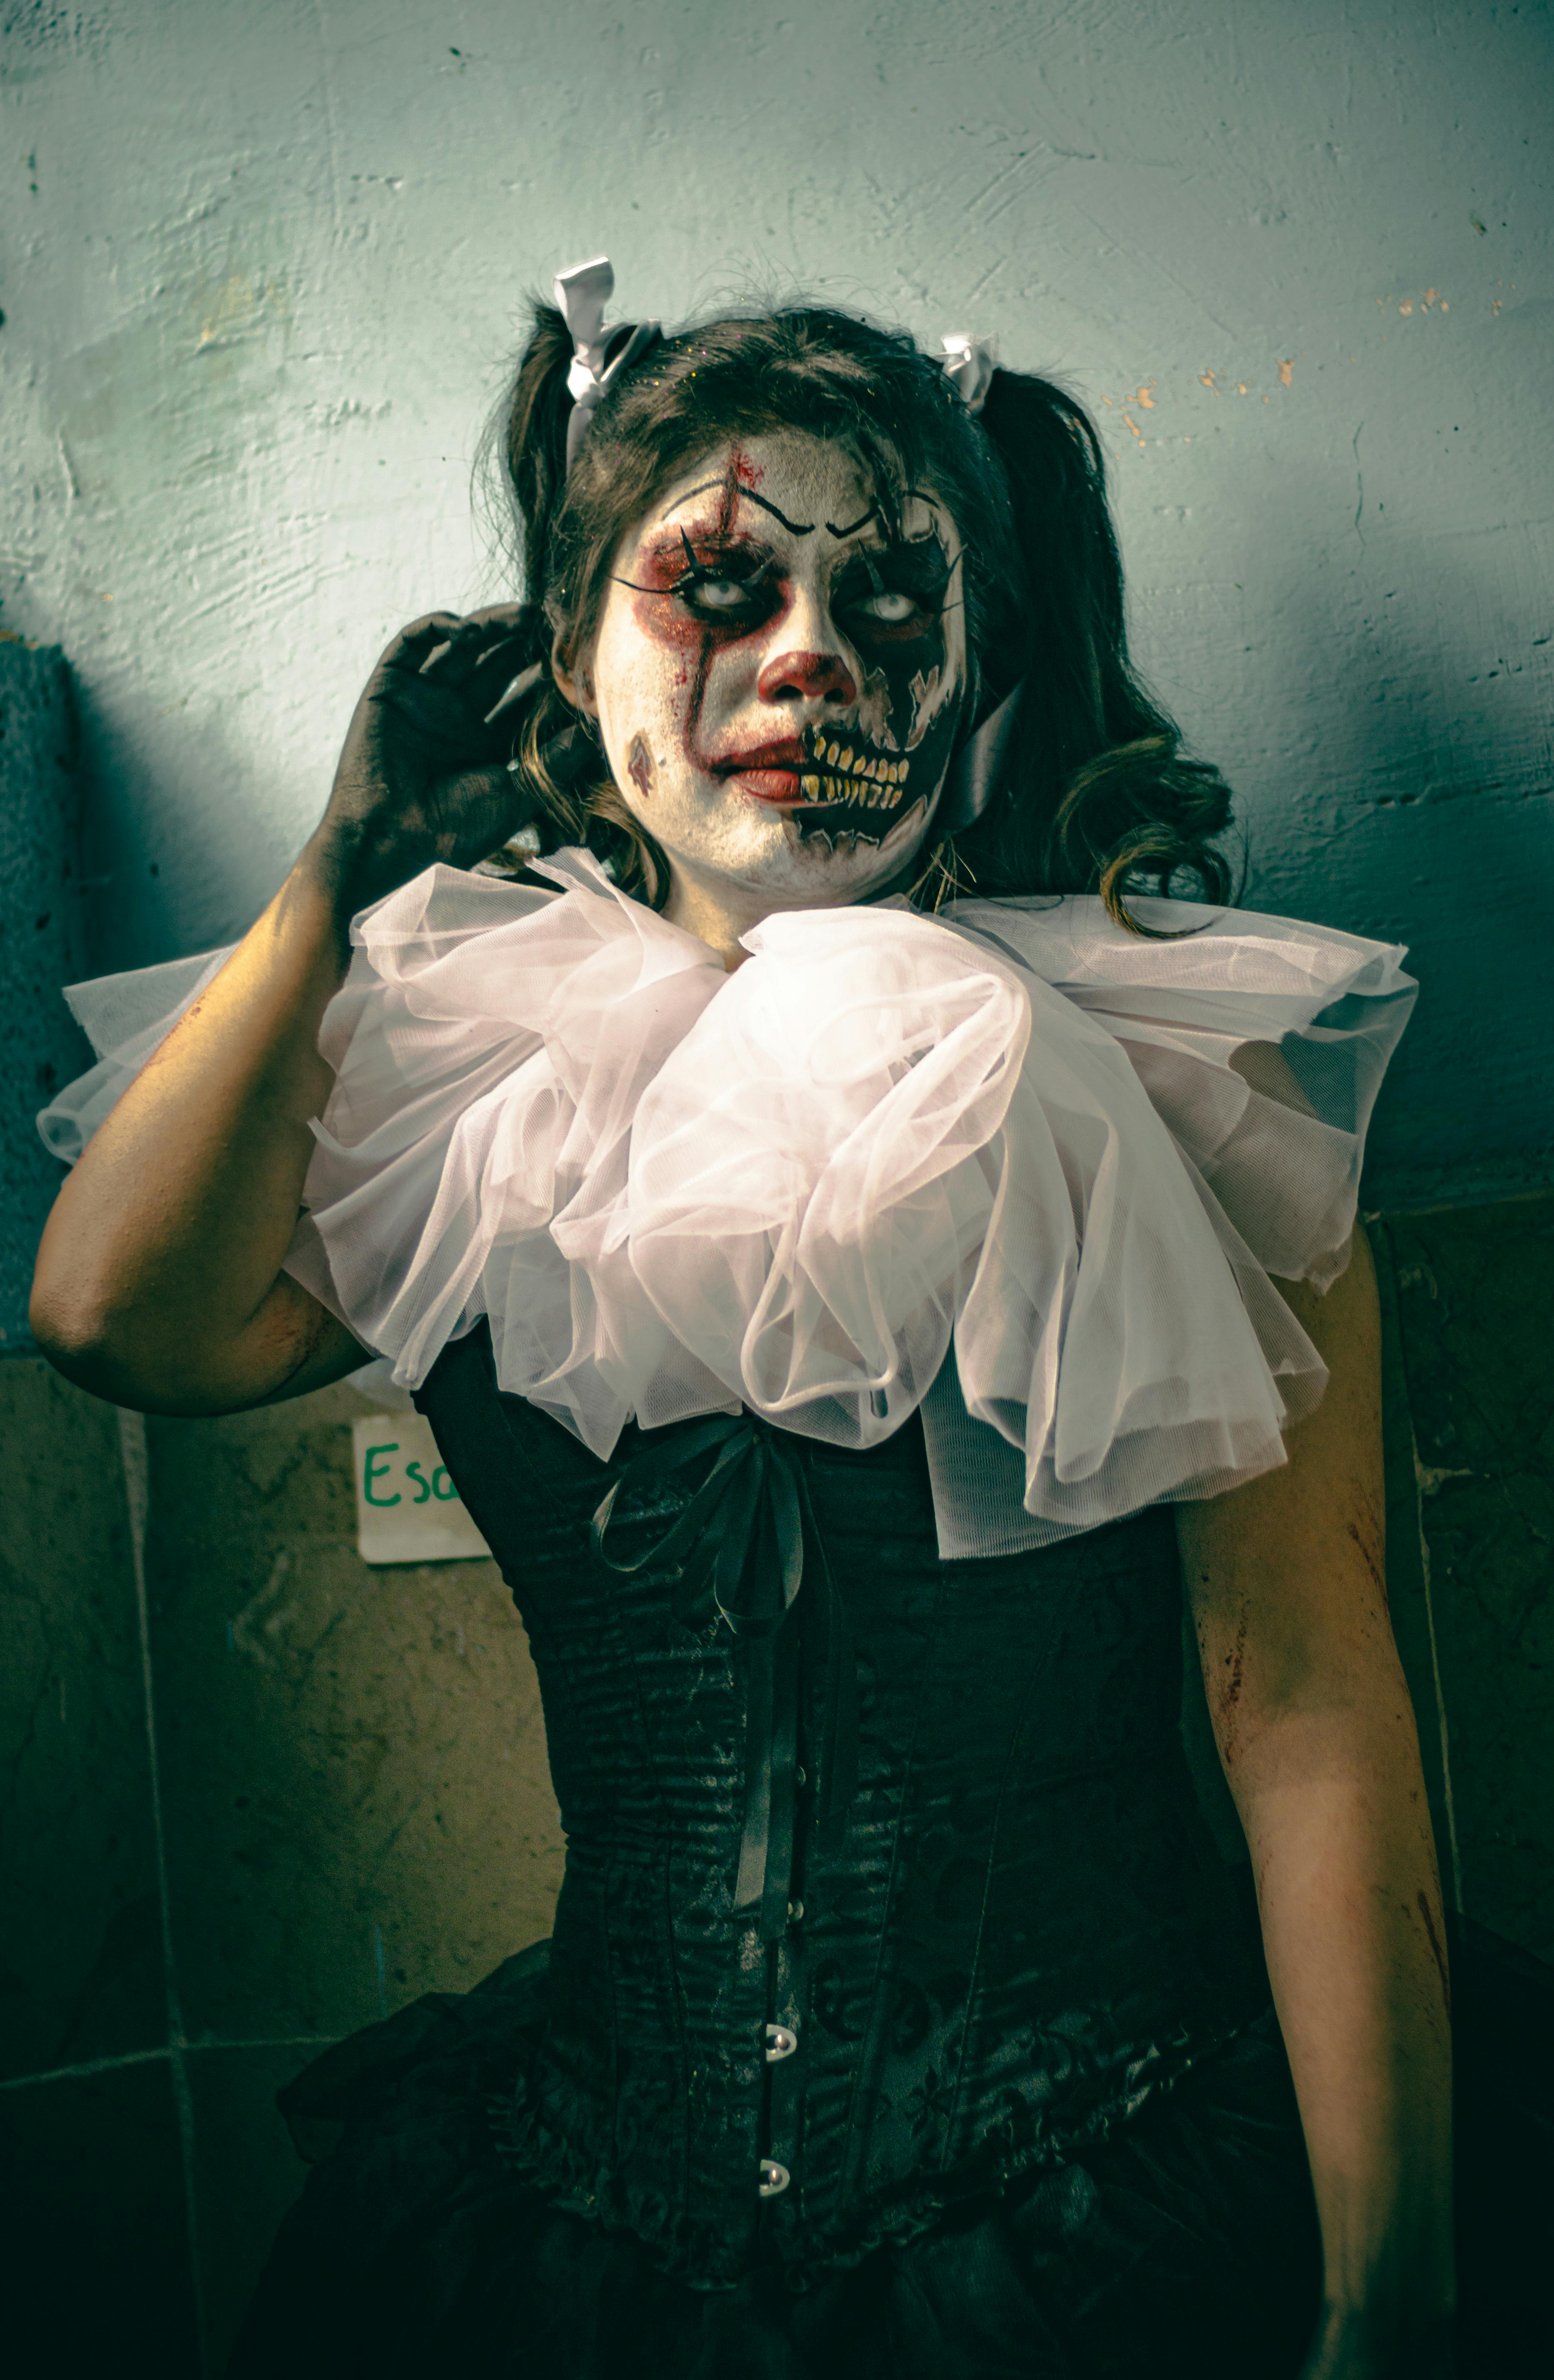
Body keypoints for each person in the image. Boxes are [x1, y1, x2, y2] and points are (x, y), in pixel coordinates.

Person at [30, 264, 1455, 2379]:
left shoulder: (1175, 1084)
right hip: (579, 2235)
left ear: (972, 670)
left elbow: (1302, 1697)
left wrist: (1381, 2291)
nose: (806, 651)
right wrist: (338, 872)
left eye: (890, 597)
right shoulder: (466, 1083)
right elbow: (112, 1317)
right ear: (575, 651)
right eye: (715, 583)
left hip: (1113, 2195)